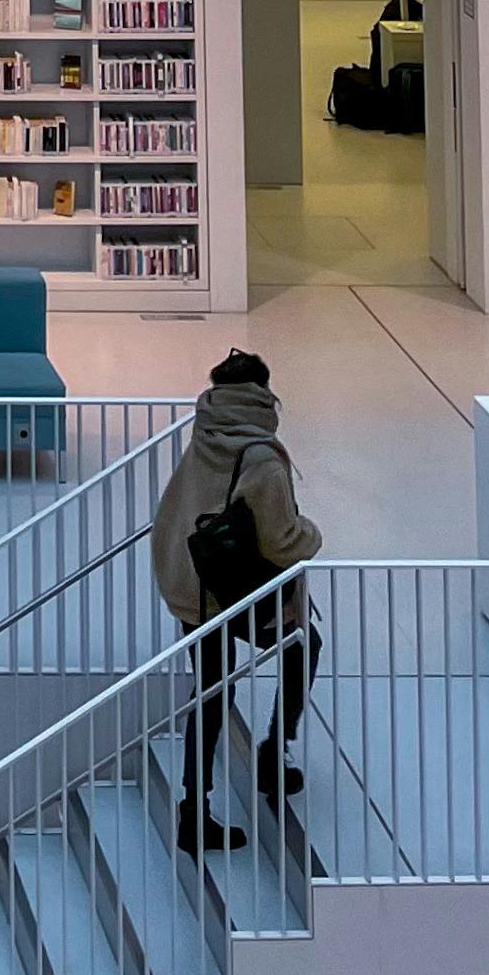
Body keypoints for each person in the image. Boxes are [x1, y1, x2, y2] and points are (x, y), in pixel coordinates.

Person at [150, 349, 323, 856]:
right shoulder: (262, 458)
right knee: (302, 643)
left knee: (210, 692)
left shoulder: (208, 431)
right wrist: (313, 534)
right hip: (232, 586)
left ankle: (193, 812)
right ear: (263, 395)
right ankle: (273, 752)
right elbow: (282, 540)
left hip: (189, 579)